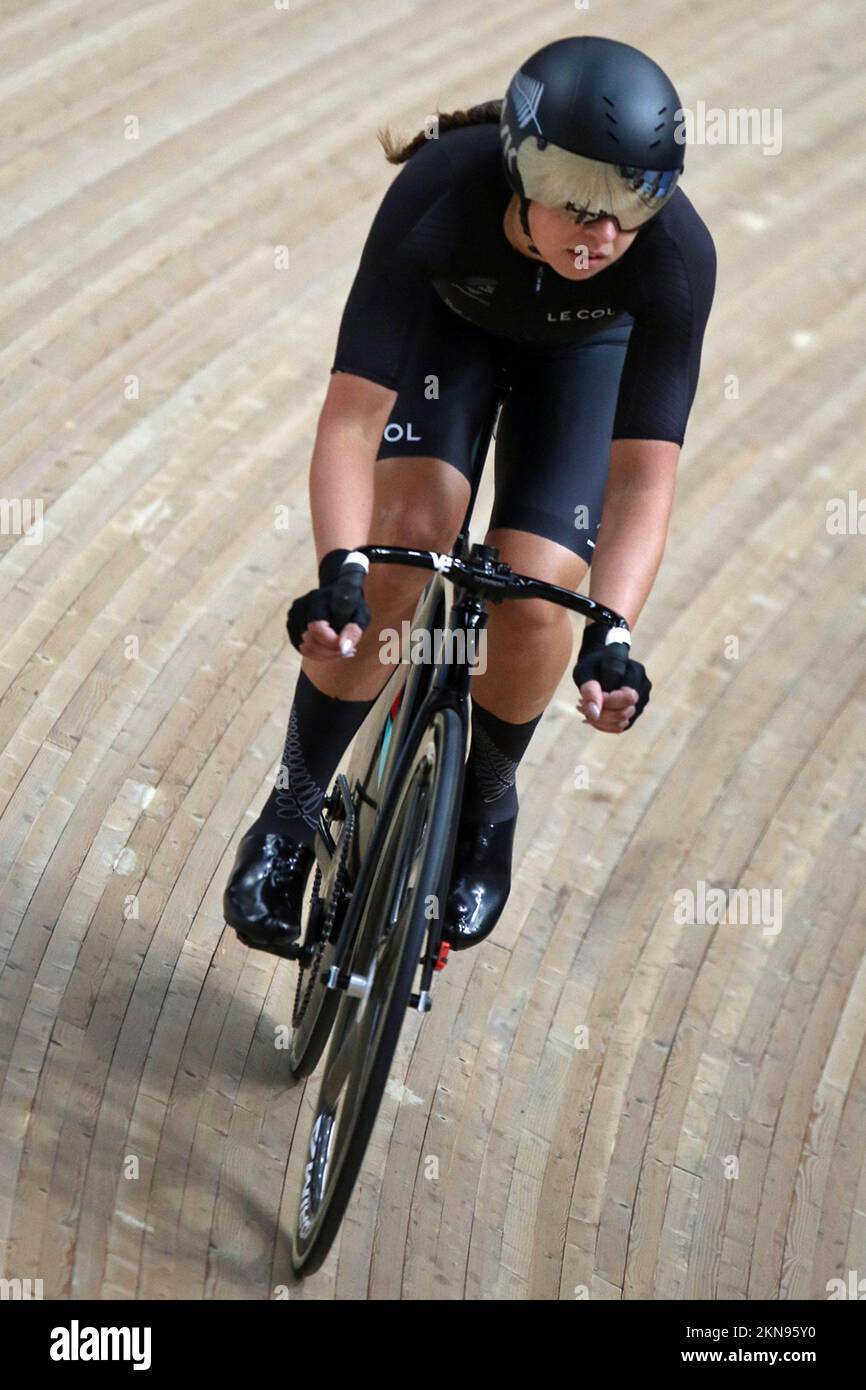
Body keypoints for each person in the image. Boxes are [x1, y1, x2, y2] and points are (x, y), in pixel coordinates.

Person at [223, 34, 716, 957]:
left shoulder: (676, 254)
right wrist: (342, 568)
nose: (602, 232)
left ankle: (488, 804)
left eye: (633, 201)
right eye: (580, 194)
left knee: (537, 603)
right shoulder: (442, 190)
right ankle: (288, 817)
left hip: (582, 362)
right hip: (451, 341)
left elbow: (645, 475)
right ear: (524, 163)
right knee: (403, 548)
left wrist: (613, 630)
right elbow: (349, 423)